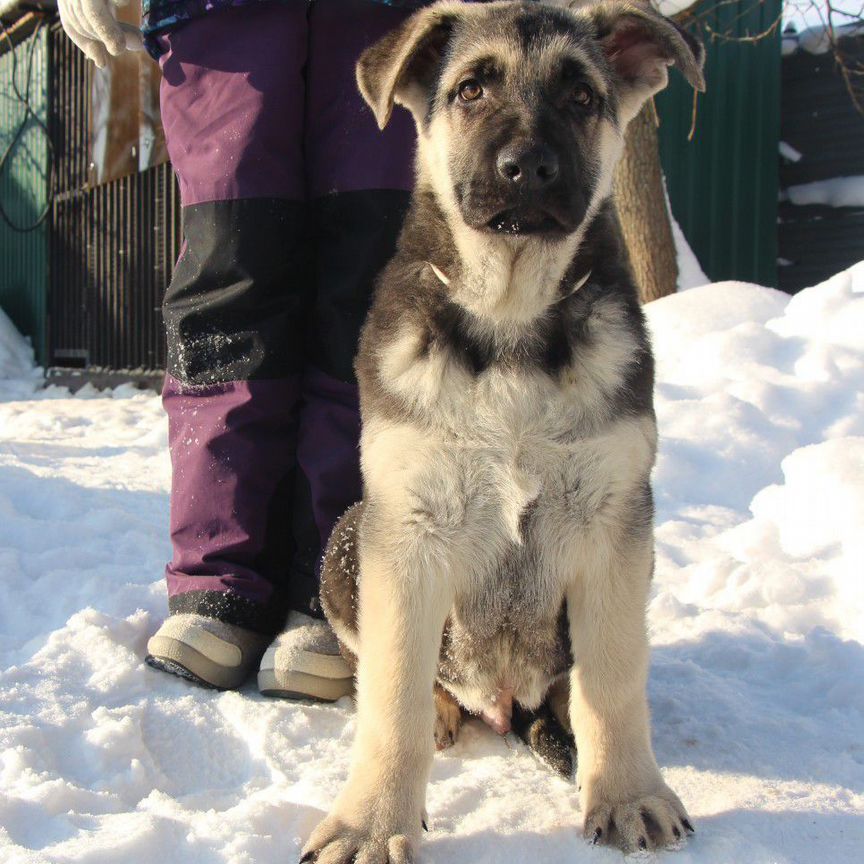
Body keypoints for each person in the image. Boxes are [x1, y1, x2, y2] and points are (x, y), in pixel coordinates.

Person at [56, 0, 432, 699]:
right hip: (222, 13)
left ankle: (336, 581)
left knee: (370, 284)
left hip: (391, 18)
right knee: (232, 264)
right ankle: (220, 578)